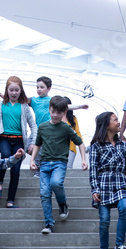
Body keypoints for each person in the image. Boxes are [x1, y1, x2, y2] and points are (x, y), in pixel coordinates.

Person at [30, 95, 84, 234]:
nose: (54, 115)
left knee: (56, 183)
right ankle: (49, 224)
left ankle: (62, 203)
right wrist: (32, 160)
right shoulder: (43, 127)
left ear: (64, 112)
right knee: (44, 193)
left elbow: (80, 143)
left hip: (59, 163)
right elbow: (37, 144)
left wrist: (84, 159)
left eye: (58, 113)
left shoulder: (66, 128)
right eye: (52, 111)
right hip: (44, 164)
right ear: (49, 109)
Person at [88, 111, 126, 249]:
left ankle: (118, 247)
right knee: (105, 219)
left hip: (120, 182)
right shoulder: (96, 146)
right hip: (103, 185)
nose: (118, 122)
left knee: (125, 208)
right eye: (115, 120)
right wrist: (95, 189)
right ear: (107, 125)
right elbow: (93, 170)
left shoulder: (122, 145)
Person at [0, 75, 36, 208]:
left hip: (19, 141)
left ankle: (10, 201)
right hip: (4, 138)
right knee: (5, 156)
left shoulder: (24, 107)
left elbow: (33, 125)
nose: (14, 93)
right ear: (7, 90)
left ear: (21, 91)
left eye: (17, 90)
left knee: (15, 170)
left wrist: (33, 142)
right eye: (11, 90)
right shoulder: (0, 105)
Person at [30, 76, 88, 172]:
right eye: (38, 87)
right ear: (50, 110)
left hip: (67, 148)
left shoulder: (68, 122)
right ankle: (37, 168)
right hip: (48, 143)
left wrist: (80, 106)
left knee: (65, 169)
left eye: (42, 87)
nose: (55, 115)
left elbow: (78, 135)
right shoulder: (37, 103)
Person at [62, 96, 88, 170]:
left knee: (68, 169)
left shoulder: (73, 119)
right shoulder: (56, 118)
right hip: (57, 148)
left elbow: (78, 134)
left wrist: (83, 156)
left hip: (70, 147)